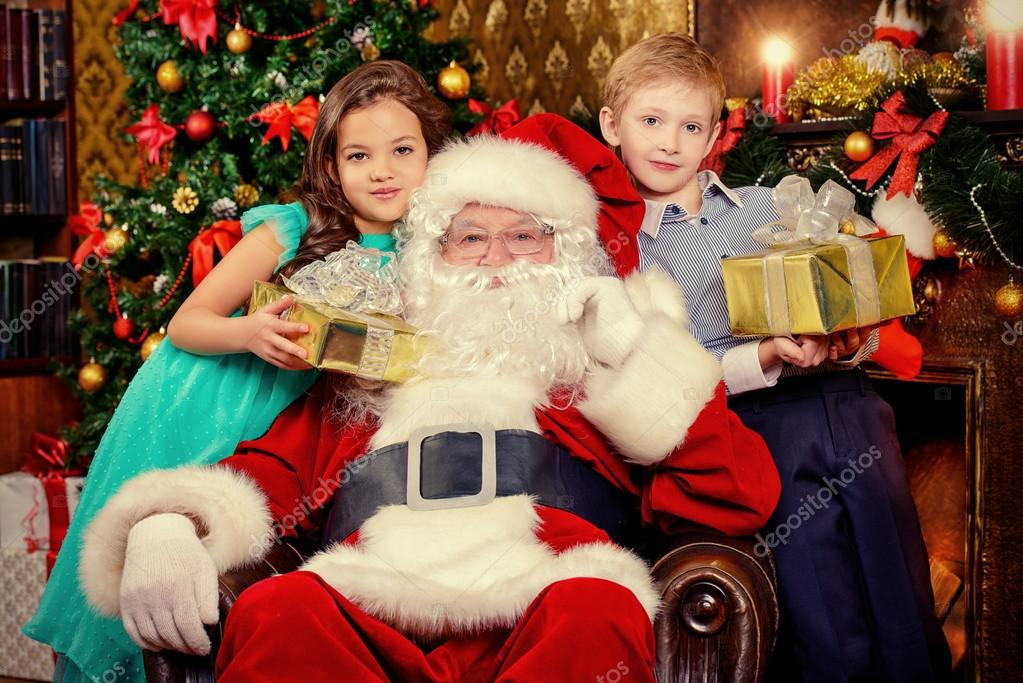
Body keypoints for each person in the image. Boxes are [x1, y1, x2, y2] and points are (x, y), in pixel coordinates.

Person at [78, 133, 780, 682]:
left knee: (595, 608)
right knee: (276, 608)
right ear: (433, 256)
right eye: (469, 236)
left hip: (542, 597)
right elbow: (267, 470)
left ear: (563, 254)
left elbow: (739, 496)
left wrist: (632, 356)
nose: (495, 257)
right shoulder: (371, 375)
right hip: (371, 600)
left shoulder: (594, 364)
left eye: (525, 235)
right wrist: (170, 521)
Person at [24, 60, 452, 683]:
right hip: (216, 396)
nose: (383, 170)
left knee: (249, 541)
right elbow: (187, 323)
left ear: (431, 155)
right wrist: (248, 334)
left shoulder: (435, 242)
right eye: (359, 156)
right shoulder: (293, 228)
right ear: (331, 165)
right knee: (169, 545)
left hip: (300, 417)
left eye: (402, 150)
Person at [596, 32, 951, 683]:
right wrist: (759, 353)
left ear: (713, 138)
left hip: (845, 401)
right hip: (754, 423)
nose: (669, 141)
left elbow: (845, 293)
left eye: (689, 125)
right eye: (650, 121)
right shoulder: (621, 250)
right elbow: (658, 378)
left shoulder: (770, 204)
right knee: (824, 608)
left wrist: (851, 337)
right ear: (611, 124)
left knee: (899, 585)